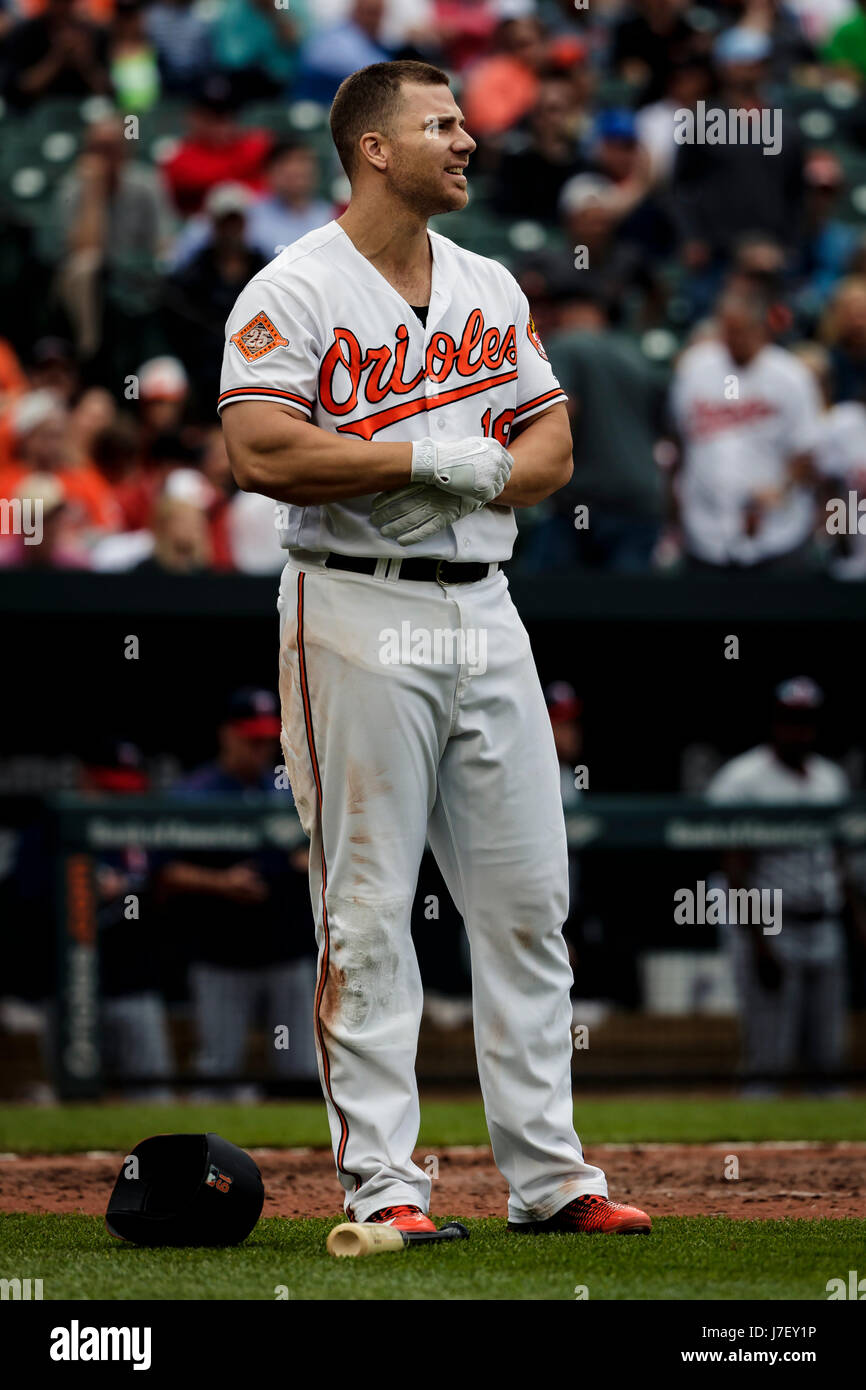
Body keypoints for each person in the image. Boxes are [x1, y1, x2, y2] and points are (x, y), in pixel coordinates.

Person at [220, 59, 651, 1235]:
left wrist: (468, 466)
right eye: (440, 124)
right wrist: (418, 458)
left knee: (524, 905)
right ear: (372, 147)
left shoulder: (487, 282)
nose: (465, 140)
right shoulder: (291, 288)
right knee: (366, 908)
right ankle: (386, 1188)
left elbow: (549, 450)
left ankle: (551, 1179)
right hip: (350, 600)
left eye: (463, 122)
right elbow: (259, 450)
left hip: (484, 601)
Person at [157, 689, 318, 1098]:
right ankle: (208, 1159)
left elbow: (322, 848)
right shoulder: (194, 793)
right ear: (227, 735)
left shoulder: (288, 787)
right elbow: (161, 871)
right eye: (250, 738)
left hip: (287, 952)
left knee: (299, 1066)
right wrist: (221, 883)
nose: (260, 748)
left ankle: (304, 1158)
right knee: (218, 1068)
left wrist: (308, 860)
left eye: (267, 738)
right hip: (221, 954)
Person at [706, 678, 862, 1092]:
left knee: (830, 1061)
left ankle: (828, 1158)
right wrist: (758, 943)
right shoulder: (742, 778)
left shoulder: (830, 778)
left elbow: (840, 859)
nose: (800, 731)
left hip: (823, 924)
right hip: (771, 923)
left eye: (807, 721)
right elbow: (733, 869)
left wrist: (857, 919)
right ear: (775, 722)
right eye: (791, 721)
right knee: (768, 1061)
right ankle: (751, 1155)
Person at [669, 287, 822, 570]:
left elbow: (805, 453)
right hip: (704, 531)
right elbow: (678, 442)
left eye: (740, 330)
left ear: (761, 328)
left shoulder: (791, 376)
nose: (732, 339)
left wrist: (781, 489)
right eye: (727, 331)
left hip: (777, 532)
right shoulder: (695, 367)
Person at [527, 281, 665, 572]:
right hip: (641, 500)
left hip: (584, 502)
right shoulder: (637, 355)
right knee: (625, 610)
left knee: (553, 605)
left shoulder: (567, 344)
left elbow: (563, 413)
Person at [170, 141, 335, 270]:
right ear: (269, 172)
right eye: (286, 162)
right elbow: (185, 248)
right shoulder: (249, 211)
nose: (297, 170)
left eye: (303, 161)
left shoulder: (331, 216)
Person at [0, 0, 111, 109]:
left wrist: (84, 60)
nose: (62, 7)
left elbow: (105, 88)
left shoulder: (94, 33)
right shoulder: (25, 34)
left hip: (87, 108)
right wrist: (57, 56)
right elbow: (21, 88)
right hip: (38, 111)